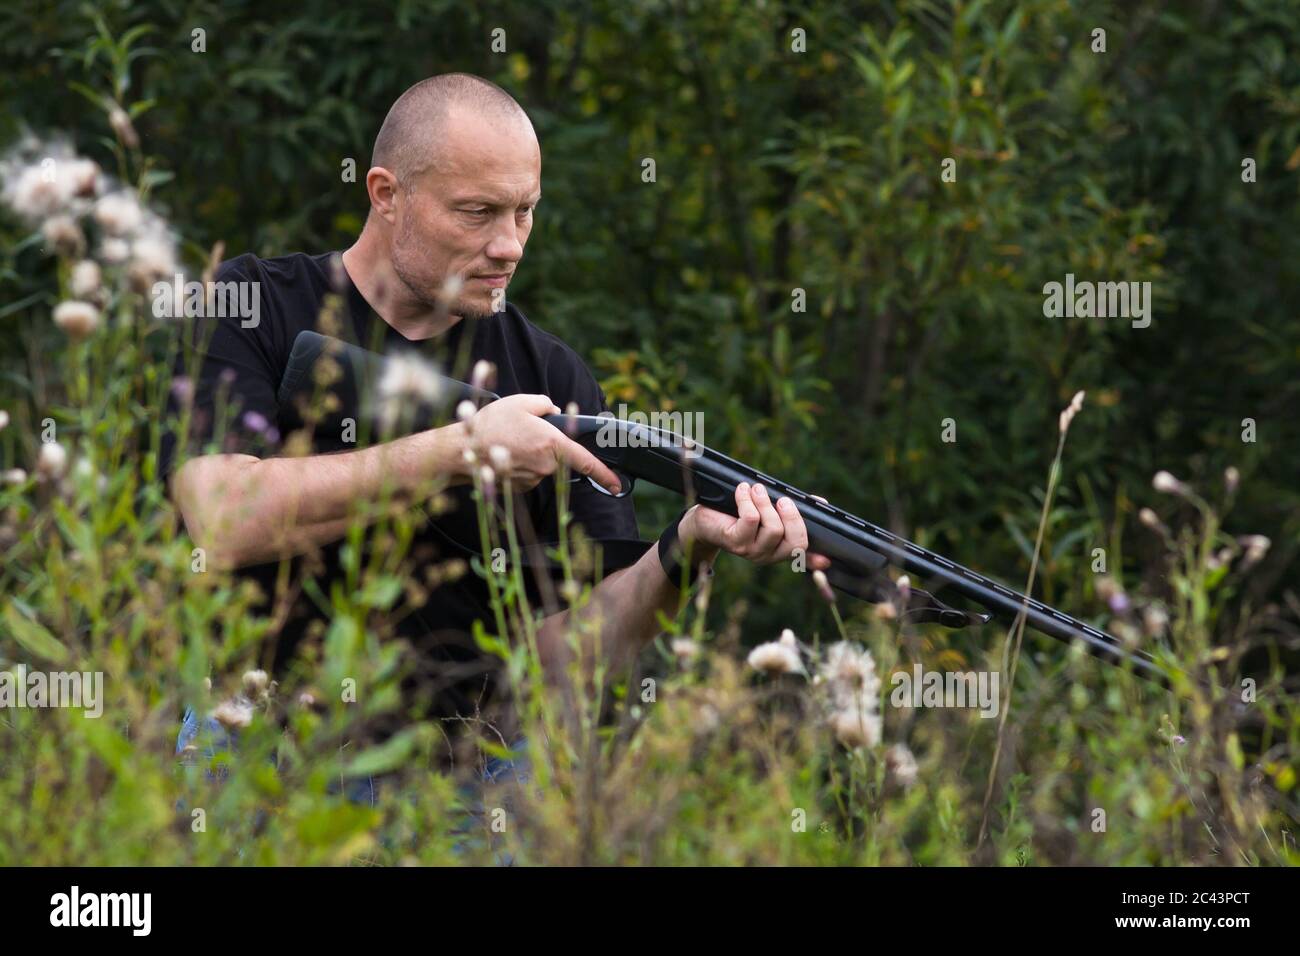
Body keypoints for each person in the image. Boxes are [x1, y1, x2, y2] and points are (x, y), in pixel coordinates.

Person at [161, 73, 830, 766]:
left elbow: (561, 662)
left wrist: (683, 551)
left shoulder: (553, 377)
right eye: (477, 212)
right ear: (387, 195)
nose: (510, 244)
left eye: (525, 211)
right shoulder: (253, 305)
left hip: (463, 781)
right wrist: (462, 450)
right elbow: (221, 515)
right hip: (260, 756)